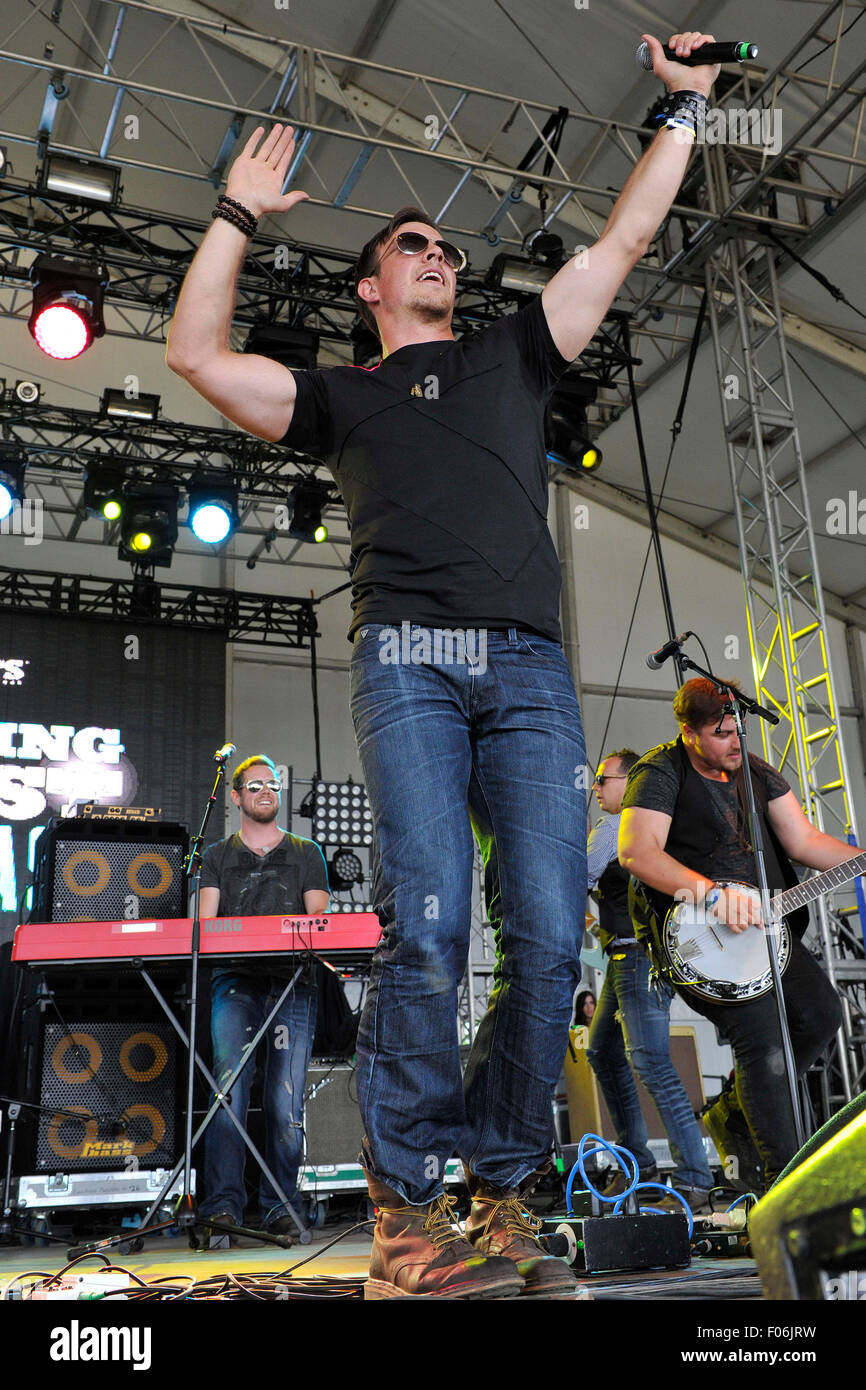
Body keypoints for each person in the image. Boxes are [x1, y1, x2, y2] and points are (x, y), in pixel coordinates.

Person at [167, 33, 723, 1298]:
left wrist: (683, 108)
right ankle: (407, 1213)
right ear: (370, 287)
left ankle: (504, 1187)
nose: (438, 254)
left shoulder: (512, 355)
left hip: (527, 672)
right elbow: (196, 353)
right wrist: (236, 212)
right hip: (409, 662)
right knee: (427, 926)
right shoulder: (341, 397)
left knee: (544, 934)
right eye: (412, 246)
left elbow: (624, 241)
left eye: (446, 247)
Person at [619, 679, 862, 1186]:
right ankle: (785, 1188)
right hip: (695, 937)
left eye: (738, 730)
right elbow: (638, 853)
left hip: (766, 929)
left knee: (819, 1016)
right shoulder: (660, 770)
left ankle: (732, 1110)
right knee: (765, 1045)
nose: (734, 741)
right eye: (720, 732)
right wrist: (709, 894)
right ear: (688, 732)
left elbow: (803, 840)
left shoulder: (754, 769)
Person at [197, 755, 329, 1242]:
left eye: (273, 784)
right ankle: (223, 1208)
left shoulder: (305, 852)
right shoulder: (216, 856)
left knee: (284, 1102)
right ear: (235, 797)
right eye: (255, 785)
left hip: (292, 983)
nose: (266, 791)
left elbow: (318, 918)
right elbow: (206, 926)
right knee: (229, 1090)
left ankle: (279, 1207)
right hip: (235, 982)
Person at [585, 749, 714, 1205]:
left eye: (603, 779)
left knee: (652, 1063)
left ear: (630, 781)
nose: (596, 787)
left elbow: (578, 874)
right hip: (626, 957)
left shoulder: (613, 829)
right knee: (601, 1050)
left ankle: (696, 1177)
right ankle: (636, 1161)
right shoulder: (650, 828)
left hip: (637, 959)